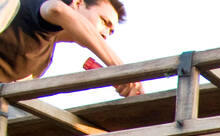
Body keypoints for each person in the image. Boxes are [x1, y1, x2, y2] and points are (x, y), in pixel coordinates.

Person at [0, 0, 141, 95]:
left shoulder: (42, 63)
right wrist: (120, 69)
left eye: (110, 32)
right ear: (78, 3)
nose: (105, 35)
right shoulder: (36, 5)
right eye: (104, 21)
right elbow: (57, 10)